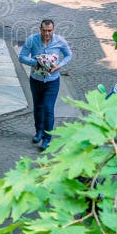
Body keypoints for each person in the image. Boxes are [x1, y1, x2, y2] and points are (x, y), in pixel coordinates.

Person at [19, 19, 72, 151]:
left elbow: (68, 55)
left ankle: (47, 138)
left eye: (49, 31)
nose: (47, 33)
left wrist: (59, 66)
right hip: (36, 80)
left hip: (52, 81)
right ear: (40, 29)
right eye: (44, 30)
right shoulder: (32, 40)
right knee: (38, 107)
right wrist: (36, 62)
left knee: (48, 109)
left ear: (53, 30)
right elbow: (22, 57)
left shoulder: (60, 41)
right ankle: (39, 132)